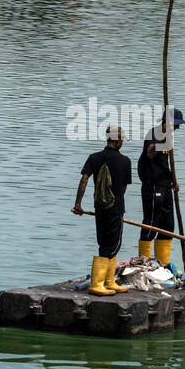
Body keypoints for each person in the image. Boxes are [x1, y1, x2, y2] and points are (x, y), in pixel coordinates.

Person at [72, 126, 132, 295]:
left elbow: (84, 180)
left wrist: (78, 204)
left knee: (104, 243)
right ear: (118, 140)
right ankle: (97, 284)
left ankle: (109, 281)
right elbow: (123, 187)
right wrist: (117, 204)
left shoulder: (94, 158)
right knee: (113, 246)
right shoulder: (125, 161)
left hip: (100, 208)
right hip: (115, 209)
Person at [137, 107, 185, 266]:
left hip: (165, 186)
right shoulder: (154, 134)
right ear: (168, 122)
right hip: (152, 187)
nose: (178, 128)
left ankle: (163, 266)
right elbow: (150, 154)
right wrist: (162, 142)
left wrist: (173, 179)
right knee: (150, 224)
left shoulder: (169, 136)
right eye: (176, 124)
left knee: (167, 227)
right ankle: (144, 264)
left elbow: (165, 162)